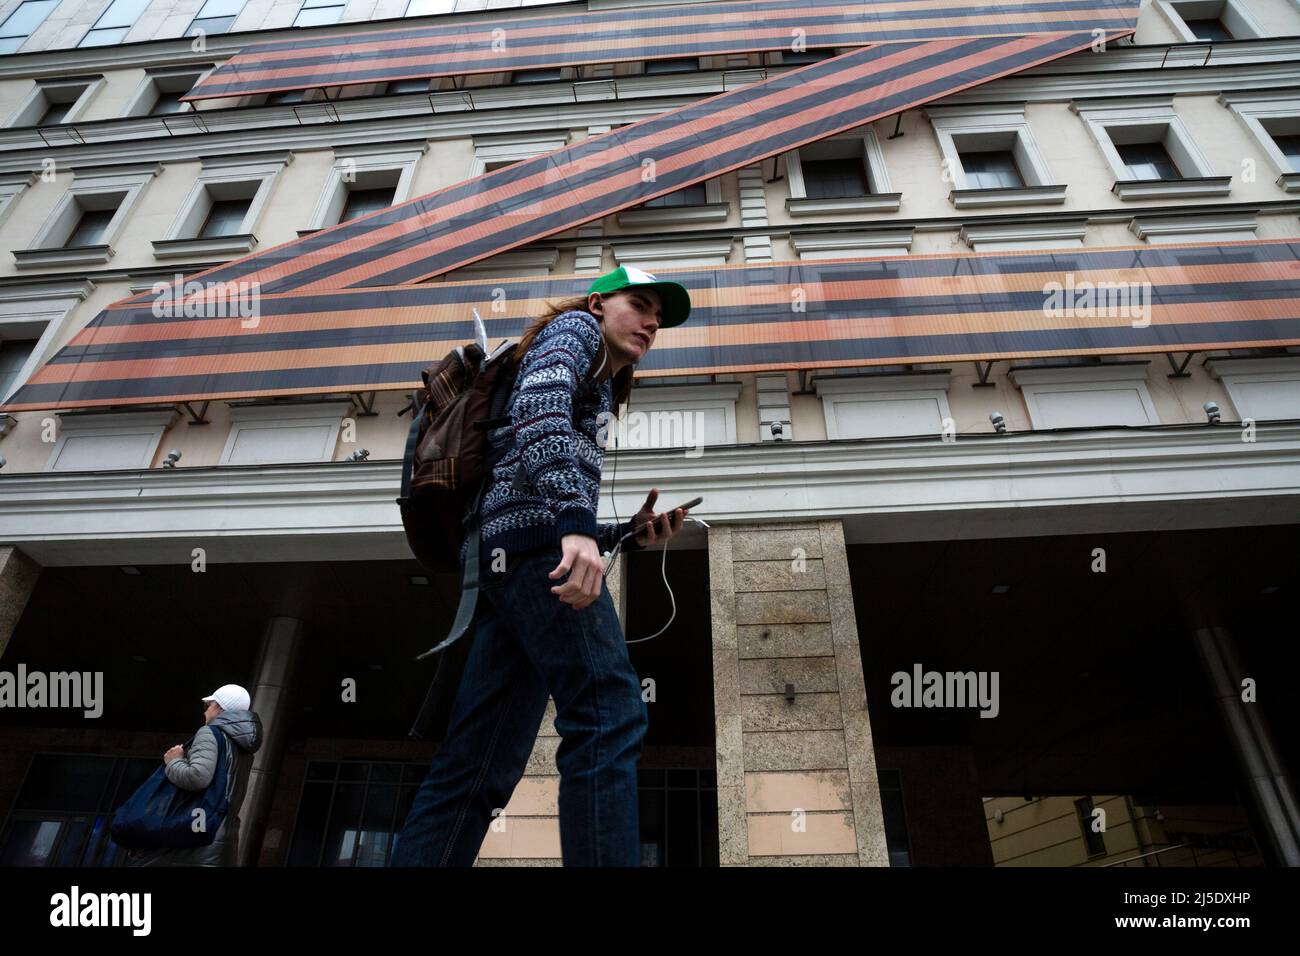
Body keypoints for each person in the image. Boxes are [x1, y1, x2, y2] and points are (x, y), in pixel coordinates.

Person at [392, 265, 695, 867]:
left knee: (476, 766)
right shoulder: (576, 332)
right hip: (532, 554)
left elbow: (518, 474)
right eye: (640, 305)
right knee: (609, 711)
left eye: (660, 317)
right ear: (599, 302)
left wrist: (622, 535)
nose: (653, 322)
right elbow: (539, 418)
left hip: (508, 556)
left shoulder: (601, 373)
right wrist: (576, 526)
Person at [125, 683, 263, 867]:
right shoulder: (243, 748)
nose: (205, 712)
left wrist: (174, 760)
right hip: (222, 838)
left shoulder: (210, 733)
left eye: (209, 705)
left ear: (220, 707)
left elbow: (197, 777)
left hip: (196, 839)